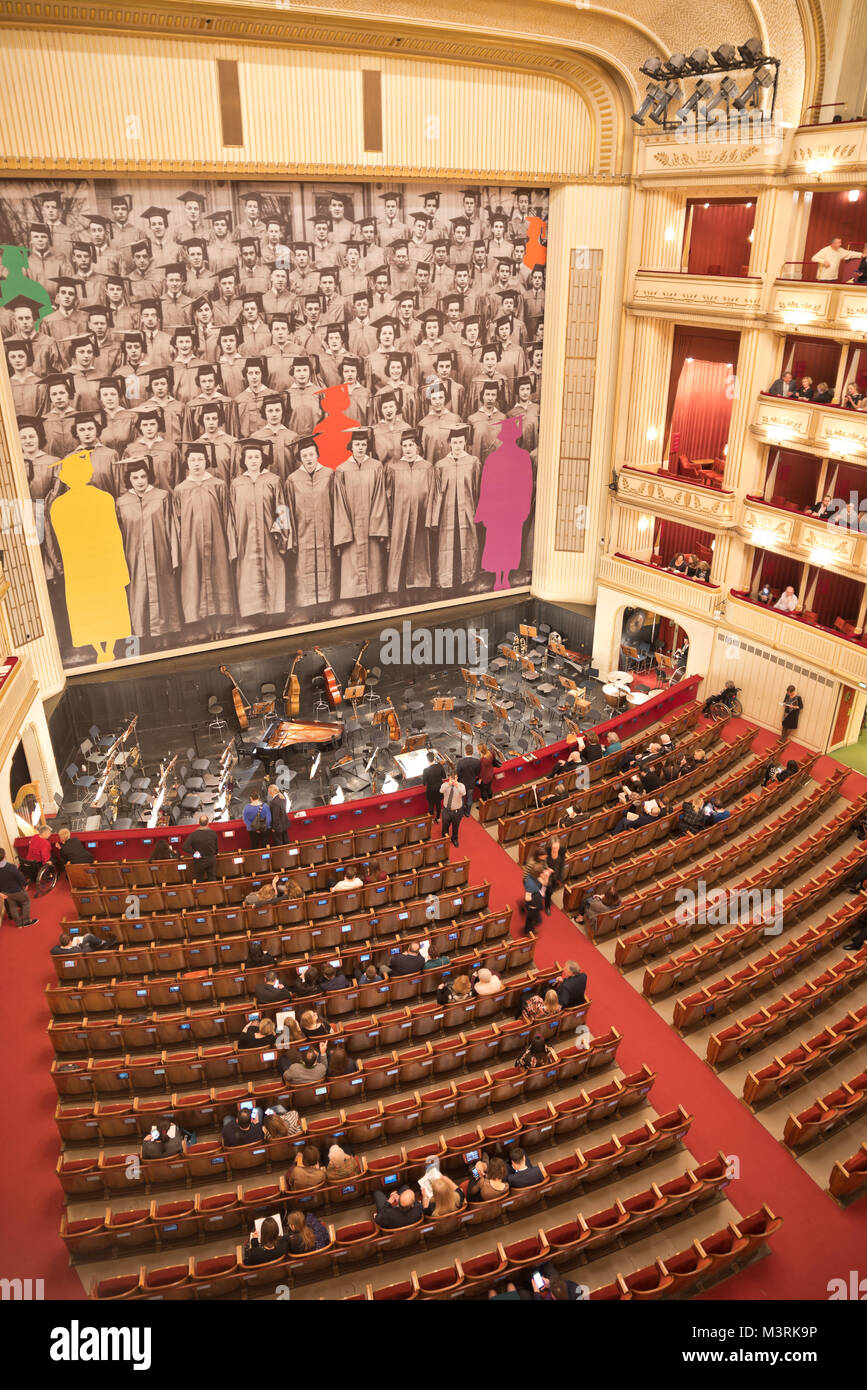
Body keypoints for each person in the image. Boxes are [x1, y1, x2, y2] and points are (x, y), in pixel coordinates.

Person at [0, 850, 37, 927]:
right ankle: (26, 921)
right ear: (4, 856)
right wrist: (25, 884)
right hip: (17, 890)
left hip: (5, 892)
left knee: (12, 906)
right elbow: (20, 877)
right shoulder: (11, 867)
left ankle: (19, 923)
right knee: (26, 901)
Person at [182, 814, 219, 881]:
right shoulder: (213, 833)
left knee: (199, 880)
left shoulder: (193, 834)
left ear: (198, 823)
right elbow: (216, 849)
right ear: (208, 823)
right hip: (211, 859)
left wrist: (194, 853)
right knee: (212, 879)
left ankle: (200, 891)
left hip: (199, 861)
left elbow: (184, 847)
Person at [440, 773, 466, 846]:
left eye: (455, 778)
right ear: (449, 778)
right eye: (452, 778)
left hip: (457, 811)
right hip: (446, 810)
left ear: (457, 778)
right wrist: (448, 784)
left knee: (456, 826)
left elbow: (463, 793)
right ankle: (445, 838)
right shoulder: (445, 785)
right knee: (445, 826)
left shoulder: (461, 785)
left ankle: (454, 839)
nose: (453, 780)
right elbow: (441, 791)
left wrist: (457, 785)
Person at [456, 742, 481, 815]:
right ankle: (467, 813)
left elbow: (458, 774)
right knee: (470, 799)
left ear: (465, 752)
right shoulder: (477, 762)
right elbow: (477, 773)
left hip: (462, 784)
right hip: (471, 783)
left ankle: (462, 811)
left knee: (462, 798)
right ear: (472, 752)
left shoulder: (460, 762)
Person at [422, 751, 445, 819]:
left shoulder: (425, 770)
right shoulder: (440, 766)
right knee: (438, 804)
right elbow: (444, 776)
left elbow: (424, 783)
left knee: (431, 805)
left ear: (427, 760)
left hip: (431, 790)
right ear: (434, 758)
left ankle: (430, 819)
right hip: (439, 788)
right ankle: (438, 818)